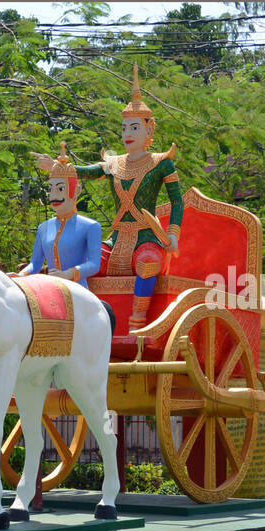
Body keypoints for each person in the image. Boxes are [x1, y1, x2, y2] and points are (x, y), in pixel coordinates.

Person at [32, 65, 183, 333]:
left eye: (134, 127)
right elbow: (86, 172)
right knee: (76, 263)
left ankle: (138, 324)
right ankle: (78, 320)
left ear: (149, 131)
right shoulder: (113, 163)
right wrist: (57, 164)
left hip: (147, 238)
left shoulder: (162, 163)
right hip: (116, 241)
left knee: (147, 264)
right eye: (124, 128)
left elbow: (177, 202)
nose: (127, 134)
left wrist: (172, 235)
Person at [21, 143, 103, 290]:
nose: (54, 196)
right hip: (51, 290)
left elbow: (93, 264)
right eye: (50, 189)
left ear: (76, 191)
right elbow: (35, 264)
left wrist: (67, 274)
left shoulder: (90, 226)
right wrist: (19, 275)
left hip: (79, 292)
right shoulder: (44, 228)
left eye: (60, 189)